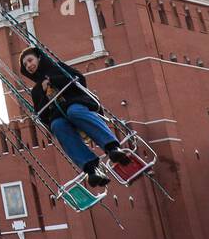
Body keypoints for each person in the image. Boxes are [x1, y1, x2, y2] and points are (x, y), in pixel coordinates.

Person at [19, 46, 128, 187]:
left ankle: (112, 148)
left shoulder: (58, 68)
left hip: (77, 104)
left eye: (30, 60)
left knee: (73, 112)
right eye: (25, 64)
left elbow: (80, 79)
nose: (29, 65)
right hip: (59, 116)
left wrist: (53, 80)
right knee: (57, 125)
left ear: (39, 58)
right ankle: (91, 168)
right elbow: (42, 114)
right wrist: (44, 91)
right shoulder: (36, 91)